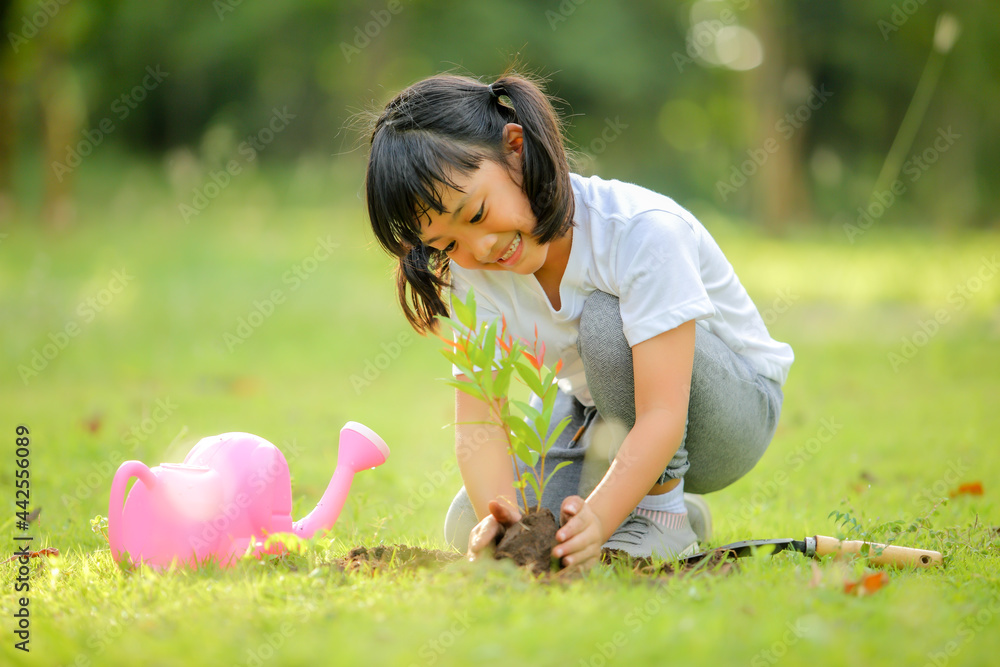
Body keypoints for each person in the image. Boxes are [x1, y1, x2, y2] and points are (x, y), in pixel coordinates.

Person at [364, 72, 793, 569]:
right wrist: (507, 527)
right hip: (599, 414)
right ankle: (663, 508)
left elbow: (662, 414)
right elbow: (479, 421)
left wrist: (601, 519)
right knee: (470, 521)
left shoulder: (640, 233)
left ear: (517, 148)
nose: (478, 248)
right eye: (447, 244)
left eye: (477, 214)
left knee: (606, 323)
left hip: (726, 417)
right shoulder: (472, 273)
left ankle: (662, 514)